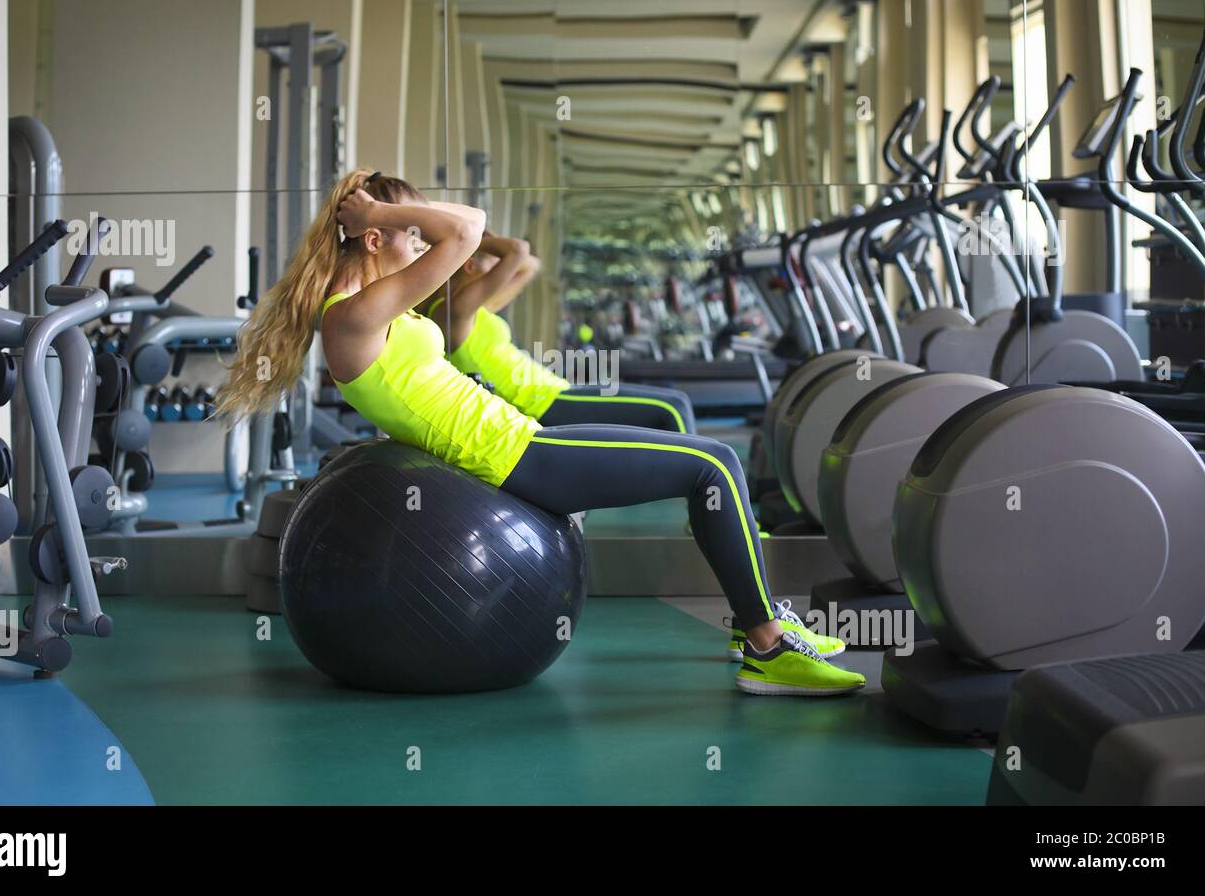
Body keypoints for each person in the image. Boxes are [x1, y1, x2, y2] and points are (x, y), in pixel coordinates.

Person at [214, 168, 864, 697]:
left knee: (703, 454)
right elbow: (466, 232)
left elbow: (485, 247)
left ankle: (754, 625)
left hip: (516, 439)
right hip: (514, 454)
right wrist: (381, 216)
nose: (419, 245)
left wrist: (387, 218)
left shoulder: (376, 308)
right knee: (715, 464)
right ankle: (767, 644)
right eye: (410, 235)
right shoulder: (354, 316)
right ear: (377, 241)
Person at [422, 236, 697, 433]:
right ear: (470, 265)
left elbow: (530, 265)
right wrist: (465, 239)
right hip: (541, 403)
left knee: (676, 404)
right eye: (493, 265)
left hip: (556, 391)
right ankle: (697, 490)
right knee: (673, 407)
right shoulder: (453, 312)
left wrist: (466, 240)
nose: (501, 273)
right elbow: (517, 250)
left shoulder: (475, 309)